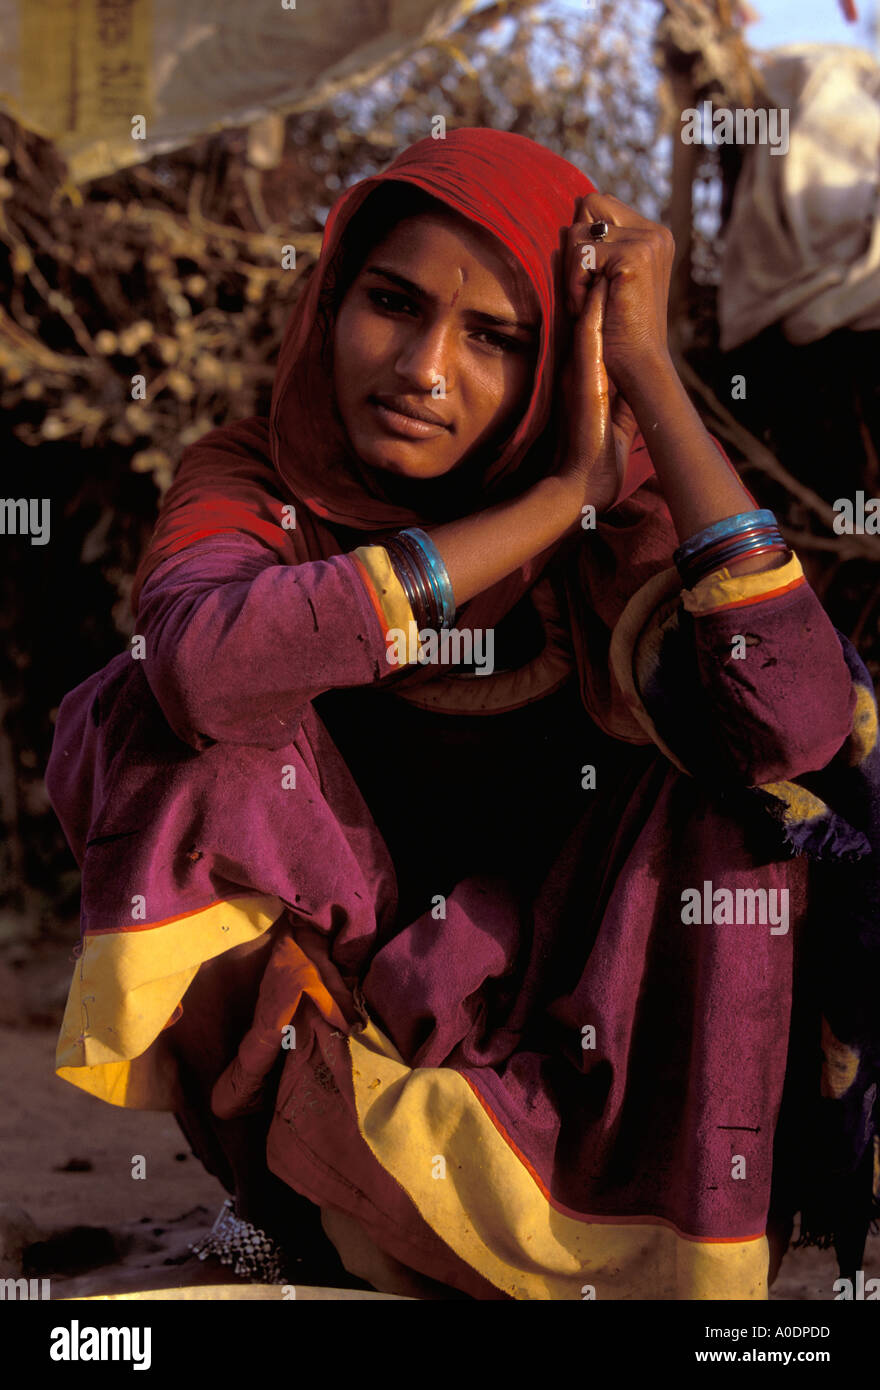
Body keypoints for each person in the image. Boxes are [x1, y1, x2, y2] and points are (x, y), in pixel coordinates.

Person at [46, 128, 880, 1301]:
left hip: (588, 1066)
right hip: (344, 1017)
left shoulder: (626, 518)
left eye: (496, 337)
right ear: (331, 301)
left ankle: (666, 1249)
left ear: (563, 368)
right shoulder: (250, 482)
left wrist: (649, 378)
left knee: (753, 792)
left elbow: (798, 719)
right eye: (391, 302)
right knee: (143, 722)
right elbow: (201, 672)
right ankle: (313, 1212)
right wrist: (548, 500)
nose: (423, 368)